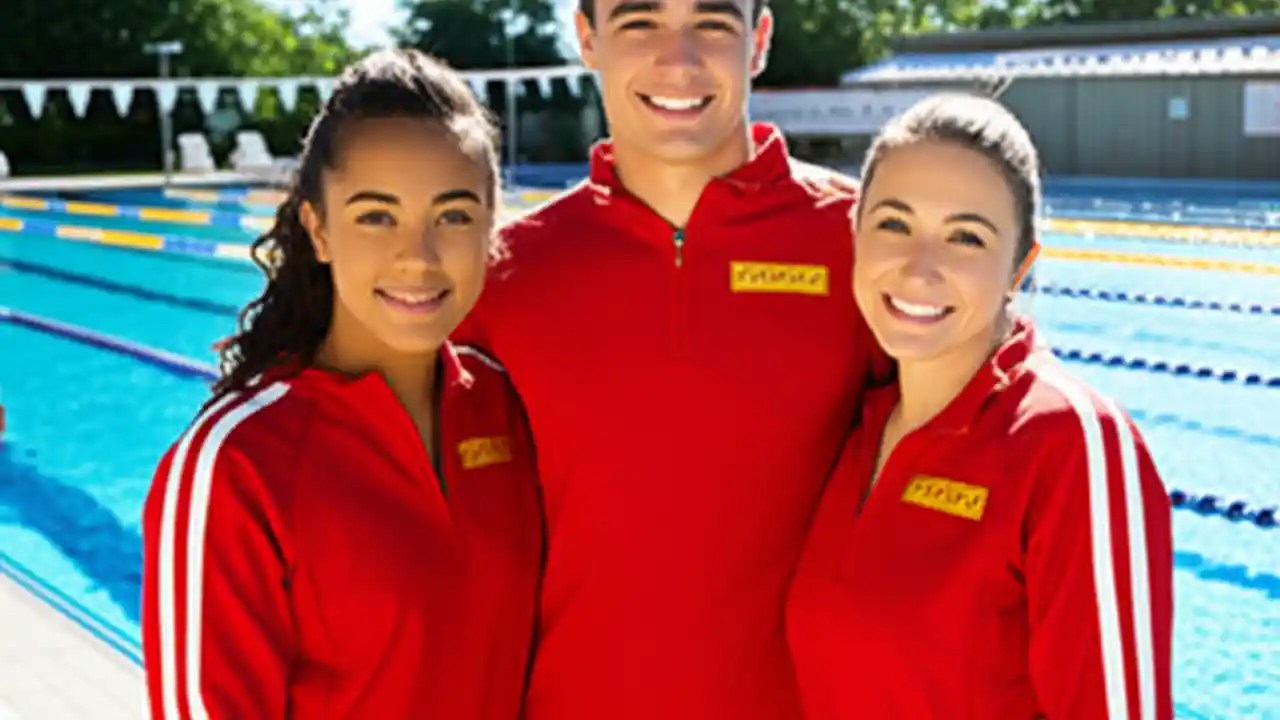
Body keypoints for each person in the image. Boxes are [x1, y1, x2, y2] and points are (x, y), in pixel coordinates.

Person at [454, 1, 886, 717]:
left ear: (760, 40)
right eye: (639, 22)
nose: (678, 59)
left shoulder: (868, 250)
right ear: (588, 38)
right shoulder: (504, 272)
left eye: (713, 24)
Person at [140, 50, 541, 720]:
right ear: (318, 230)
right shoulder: (239, 463)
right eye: (376, 215)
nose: (418, 255)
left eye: (454, 215)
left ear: (492, 228)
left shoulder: (509, 409)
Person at [786, 94, 1174, 719]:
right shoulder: (854, 429)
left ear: (1021, 267)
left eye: (966, 237)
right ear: (854, 233)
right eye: (894, 223)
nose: (921, 267)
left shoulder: (1067, 440)